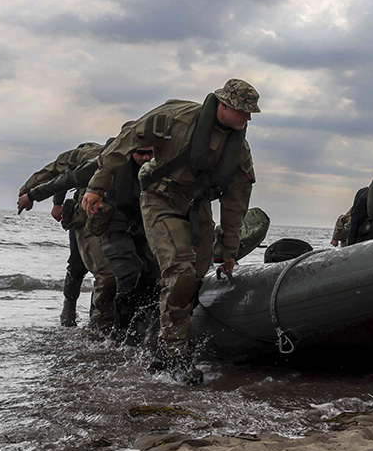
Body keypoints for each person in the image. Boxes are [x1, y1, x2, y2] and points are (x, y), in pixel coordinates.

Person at [83, 78, 260, 384]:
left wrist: (230, 249)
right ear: (224, 105)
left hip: (197, 208)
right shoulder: (176, 118)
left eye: (251, 113)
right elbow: (125, 141)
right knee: (180, 271)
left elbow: (236, 204)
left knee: (195, 277)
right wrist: (97, 186)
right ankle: (174, 353)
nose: (248, 118)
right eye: (243, 111)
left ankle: (159, 339)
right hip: (160, 198)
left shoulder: (239, 152)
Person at [18, 141, 114, 329]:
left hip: (114, 216)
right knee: (78, 265)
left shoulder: (135, 157)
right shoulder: (89, 156)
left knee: (107, 271)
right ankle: (69, 310)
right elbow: (65, 176)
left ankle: (98, 317)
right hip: (85, 216)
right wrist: (56, 202)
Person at [74, 145, 161, 343]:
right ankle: (107, 328)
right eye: (141, 153)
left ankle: (139, 328)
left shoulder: (157, 166)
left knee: (150, 274)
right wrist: (36, 195)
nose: (146, 157)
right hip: (107, 226)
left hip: (139, 228)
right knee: (111, 276)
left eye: (150, 153)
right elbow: (68, 178)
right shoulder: (111, 163)